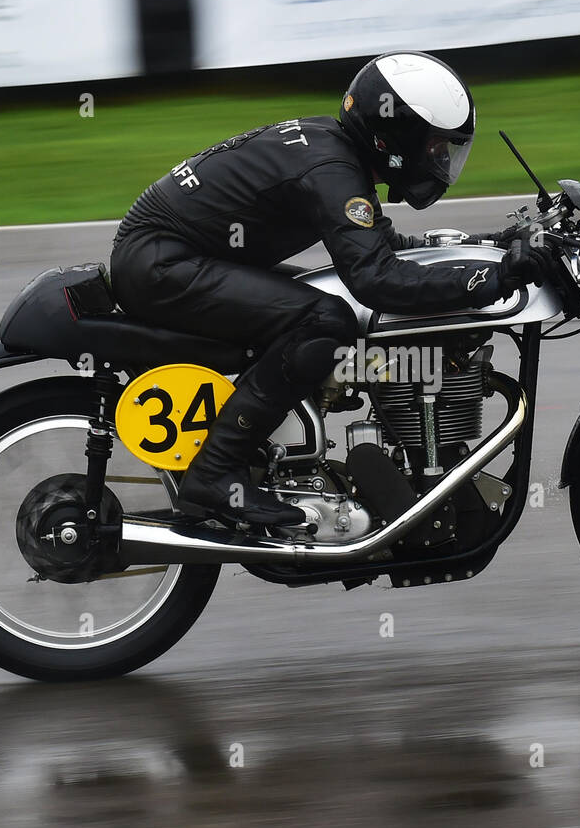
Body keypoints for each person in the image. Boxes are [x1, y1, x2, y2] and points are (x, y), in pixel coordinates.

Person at [109, 51, 548, 530]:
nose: (441, 159)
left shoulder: (338, 154)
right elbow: (377, 279)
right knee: (324, 319)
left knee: (318, 298)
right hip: (162, 265)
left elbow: (380, 246)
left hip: (177, 256)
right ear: (396, 134)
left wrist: (489, 245)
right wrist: (490, 279)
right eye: (436, 146)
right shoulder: (332, 169)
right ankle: (215, 472)